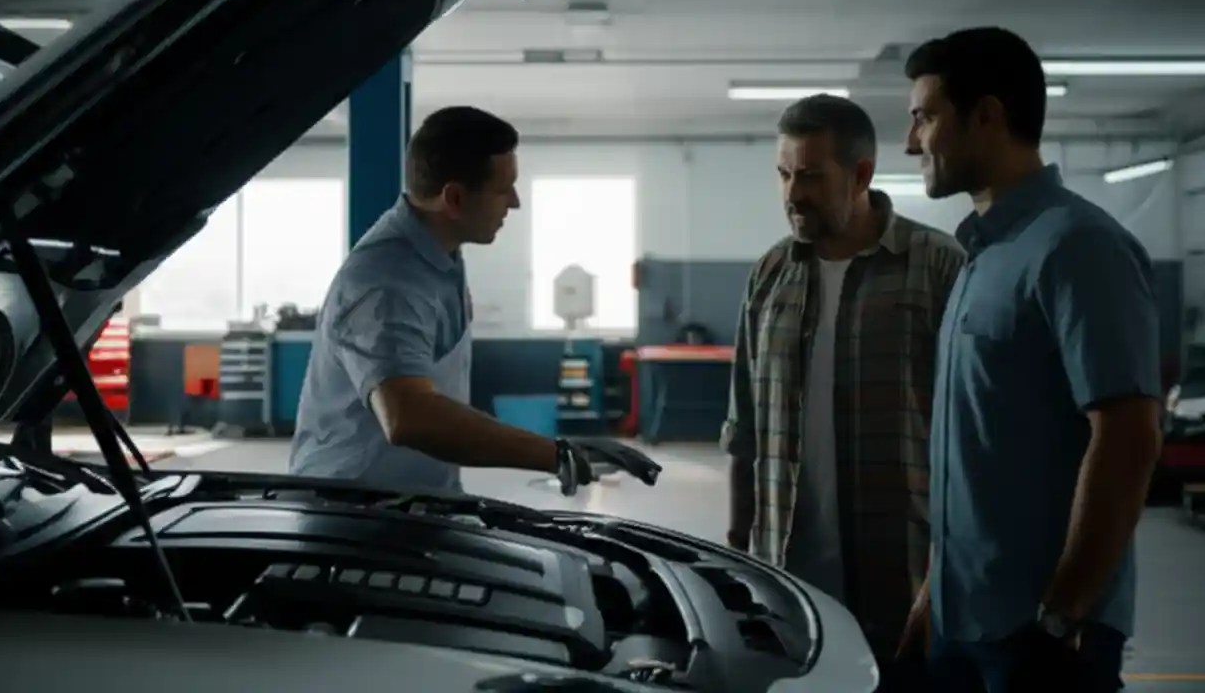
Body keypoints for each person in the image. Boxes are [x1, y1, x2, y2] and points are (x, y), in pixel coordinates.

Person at [901, 27, 1162, 692]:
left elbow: (1129, 434)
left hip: (1041, 637)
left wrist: (1063, 612)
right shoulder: (982, 256)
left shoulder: (1077, 247)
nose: (911, 142)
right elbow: (974, 451)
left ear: (986, 116)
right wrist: (935, 590)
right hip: (963, 621)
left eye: (924, 117)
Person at [289, 106, 661, 496]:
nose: (514, 202)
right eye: (503, 189)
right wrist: (553, 453)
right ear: (454, 198)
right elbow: (408, 415)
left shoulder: (439, 256)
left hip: (407, 501)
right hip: (346, 515)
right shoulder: (387, 281)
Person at [721, 94, 966, 673]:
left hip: (904, 579)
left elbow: (971, 442)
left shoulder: (938, 266)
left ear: (861, 175)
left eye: (809, 176)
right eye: (783, 174)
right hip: (787, 586)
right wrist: (735, 555)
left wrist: (948, 576)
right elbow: (744, 428)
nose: (791, 193)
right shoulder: (771, 272)